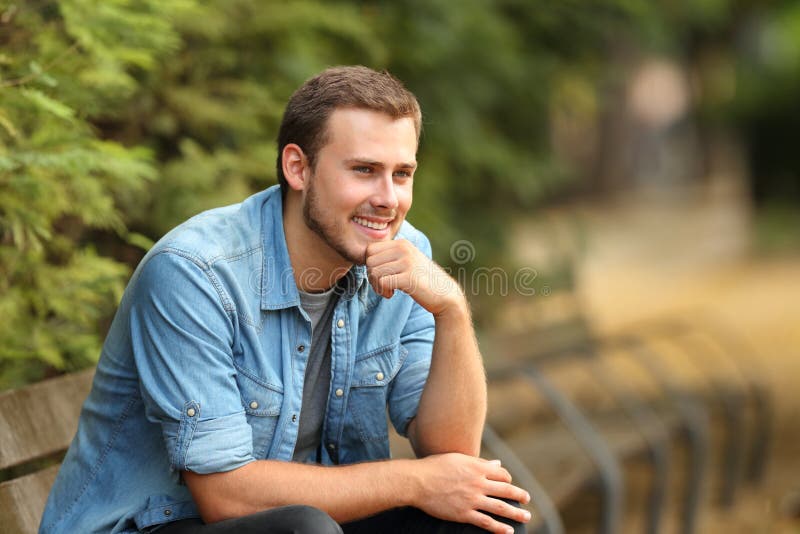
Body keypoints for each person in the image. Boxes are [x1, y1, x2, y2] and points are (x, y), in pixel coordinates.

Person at [40, 66, 530, 534]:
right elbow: (225, 497)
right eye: (364, 170)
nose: (388, 199)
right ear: (298, 167)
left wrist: (452, 311)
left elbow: (451, 452)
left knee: (485, 511)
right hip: (153, 524)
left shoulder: (405, 258)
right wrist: (415, 482)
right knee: (302, 528)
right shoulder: (195, 273)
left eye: (402, 174)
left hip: (306, 522)